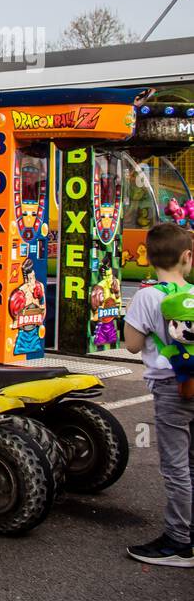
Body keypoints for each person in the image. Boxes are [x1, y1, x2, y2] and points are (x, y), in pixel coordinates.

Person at [121, 221, 194, 568]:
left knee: (176, 466)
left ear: (149, 259)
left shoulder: (148, 296)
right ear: (187, 257)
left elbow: (133, 346)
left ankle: (179, 542)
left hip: (170, 389)